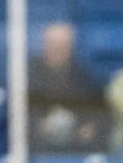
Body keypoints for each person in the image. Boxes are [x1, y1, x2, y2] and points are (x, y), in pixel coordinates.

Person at [29, 21, 108, 153]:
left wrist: (89, 128)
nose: (58, 50)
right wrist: (35, 124)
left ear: (70, 47)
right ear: (45, 46)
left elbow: (100, 112)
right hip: (37, 150)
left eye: (62, 45)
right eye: (53, 45)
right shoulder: (28, 77)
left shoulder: (85, 78)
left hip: (76, 148)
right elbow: (16, 111)